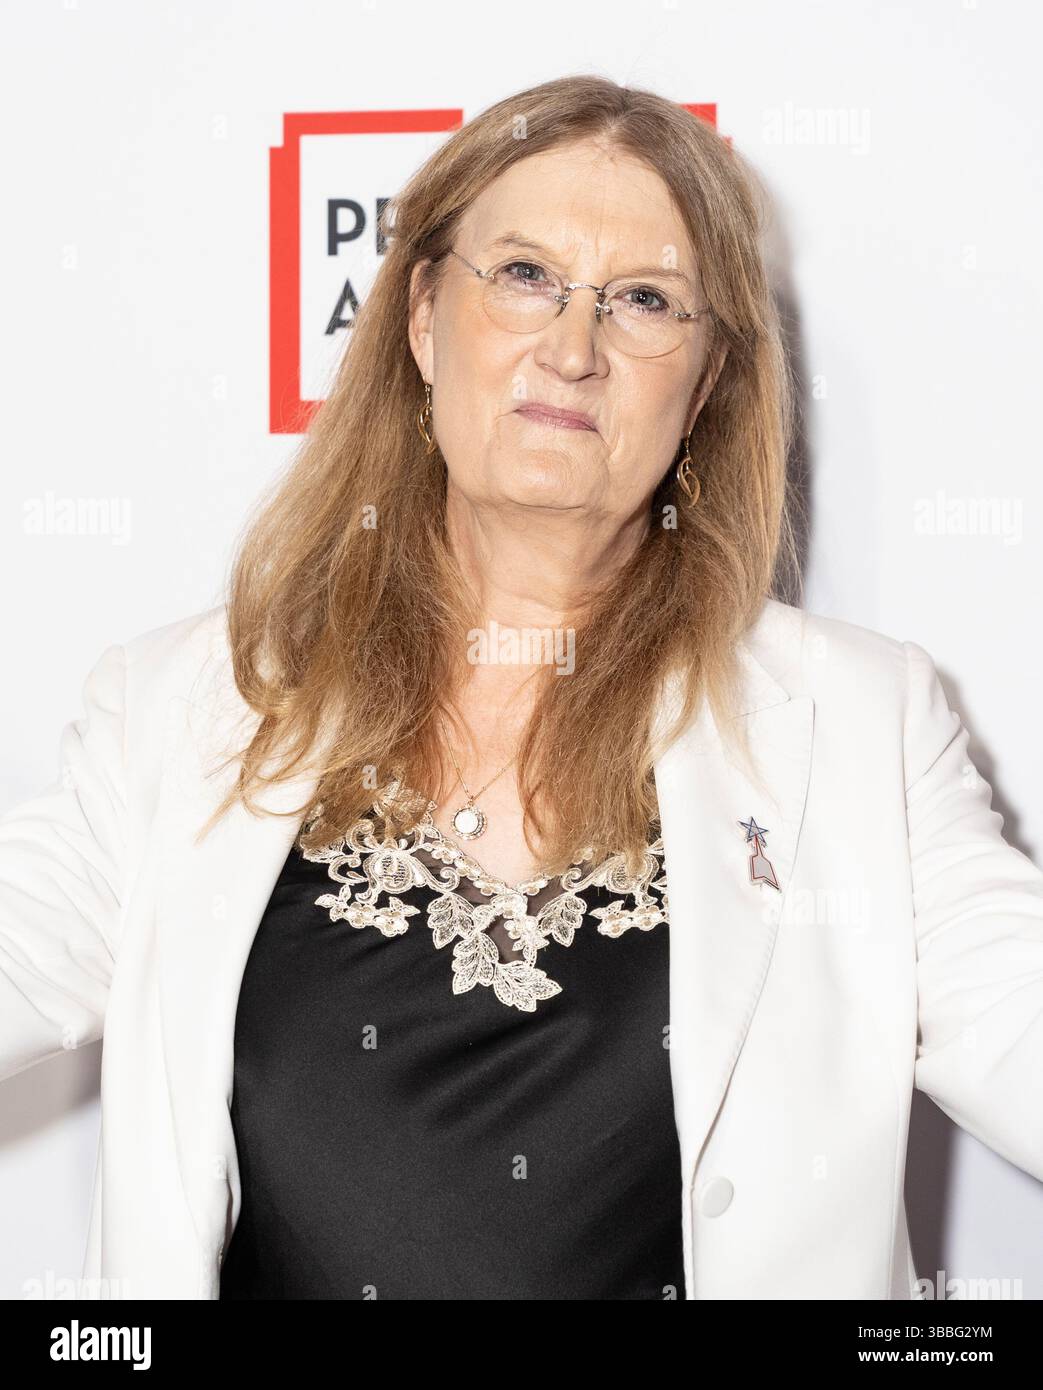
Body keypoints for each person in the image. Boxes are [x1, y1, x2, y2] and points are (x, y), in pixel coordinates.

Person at [2, 74, 1041, 1301]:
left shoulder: (864, 728)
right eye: (525, 275)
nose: (572, 346)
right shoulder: (178, 707)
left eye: (644, 300)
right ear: (424, 319)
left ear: (703, 387)